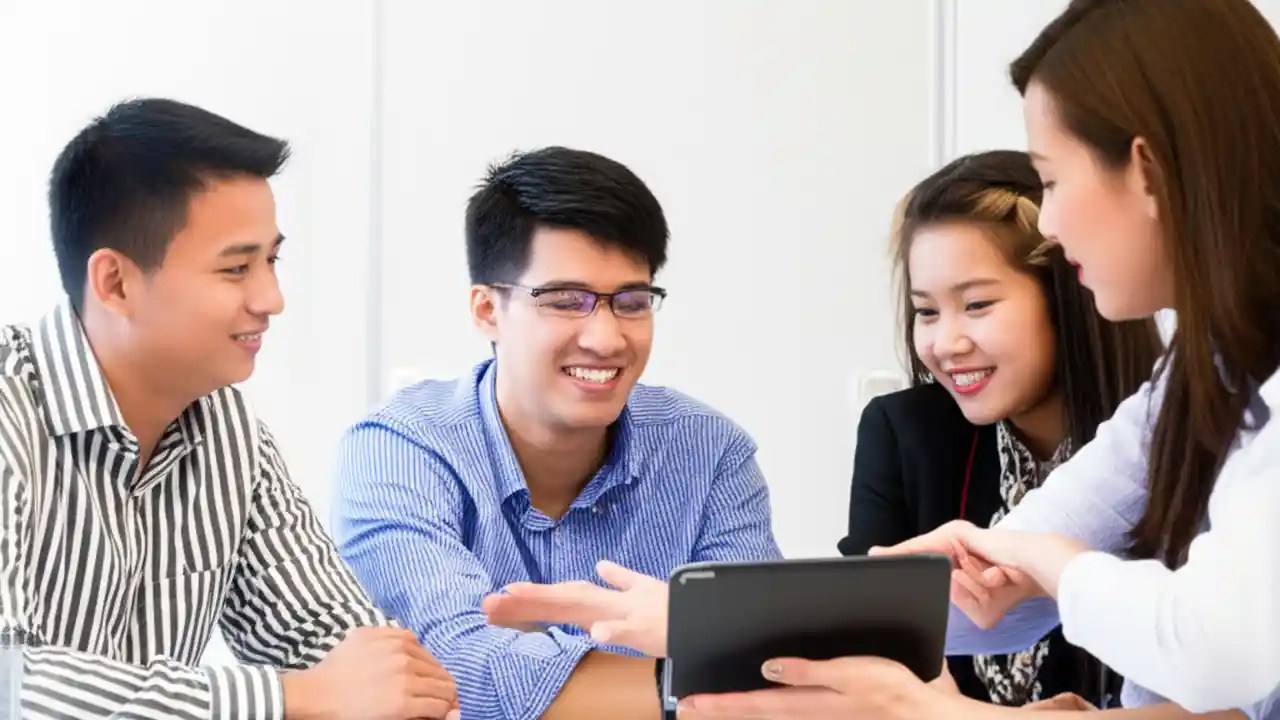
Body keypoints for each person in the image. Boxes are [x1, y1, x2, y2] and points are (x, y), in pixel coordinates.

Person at [679, 0, 1280, 716]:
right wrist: (705, 623)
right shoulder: (1199, 369)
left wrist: (1043, 569)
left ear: (1145, 169)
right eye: (927, 310)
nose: (1049, 226)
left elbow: (1215, 654)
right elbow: (1007, 575)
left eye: (1052, 181)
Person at [0, 98, 458, 720]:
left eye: (271, 260)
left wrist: (392, 694)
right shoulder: (10, 409)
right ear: (116, 283)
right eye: (236, 268)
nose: (272, 298)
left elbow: (341, 643)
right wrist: (289, 699)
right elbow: (11, 686)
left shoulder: (230, 435)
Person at [330, 146, 781, 720]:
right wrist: (690, 673)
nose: (606, 338)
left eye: (632, 302)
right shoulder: (400, 448)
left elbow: (766, 658)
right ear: (487, 309)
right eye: (567, 301)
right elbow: (452, 667)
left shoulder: (712, 452)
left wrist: (734, 667)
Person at [840, 149, 1162, 707]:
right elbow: (870, 640)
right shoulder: (902, 430)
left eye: (978, 305)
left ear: (1066, 297)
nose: (946, 344)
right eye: (927, 312)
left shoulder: (1158, 439)